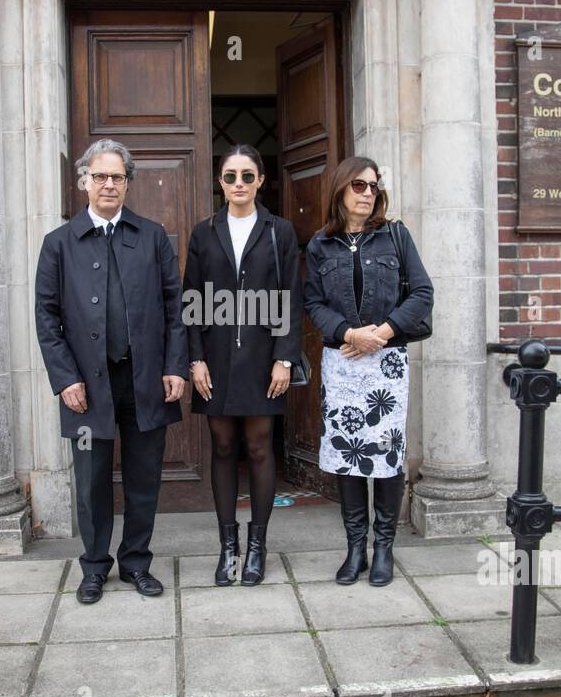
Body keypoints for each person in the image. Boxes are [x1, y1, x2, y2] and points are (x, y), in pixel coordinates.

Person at [34, 138, 188, 605]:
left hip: (145, 383)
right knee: (92, 479)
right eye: (99, 176)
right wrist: (65, 380)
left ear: (127, 182)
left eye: (116, 177)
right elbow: (47, 316)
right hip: (86, 388)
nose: (108, 185)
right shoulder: (59, 244)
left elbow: (174, 307)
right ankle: (95, 567)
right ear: (84, 181)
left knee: (144, 477)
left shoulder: (152, 236)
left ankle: (137, 563)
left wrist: (174, 366)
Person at [303, 157, 433, 586]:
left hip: (387, 362)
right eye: (358, 185)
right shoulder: (320, 245)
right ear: (340, 189)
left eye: (373, 186)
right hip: (342, 363)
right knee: (349, 456)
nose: (366, 193)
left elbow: (422, 292)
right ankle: (355, 546)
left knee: (387, 456)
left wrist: (383, 331)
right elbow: (313, 303)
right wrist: (348, 333)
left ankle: (383, 548)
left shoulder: (395, 236)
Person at [183, 145, 303, 586]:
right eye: (230, 176)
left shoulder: (279, 231)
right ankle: (227, 546)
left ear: (260, 181)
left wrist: (284, 358)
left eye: (247, 176)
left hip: (262, 357)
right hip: (214, 358)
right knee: (222, 448)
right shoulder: (204, 231)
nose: (238, 184)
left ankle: (257, 545)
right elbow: (190, 298)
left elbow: (291, 297)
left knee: (258, 447)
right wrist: (194, 358)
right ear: (220, 182)